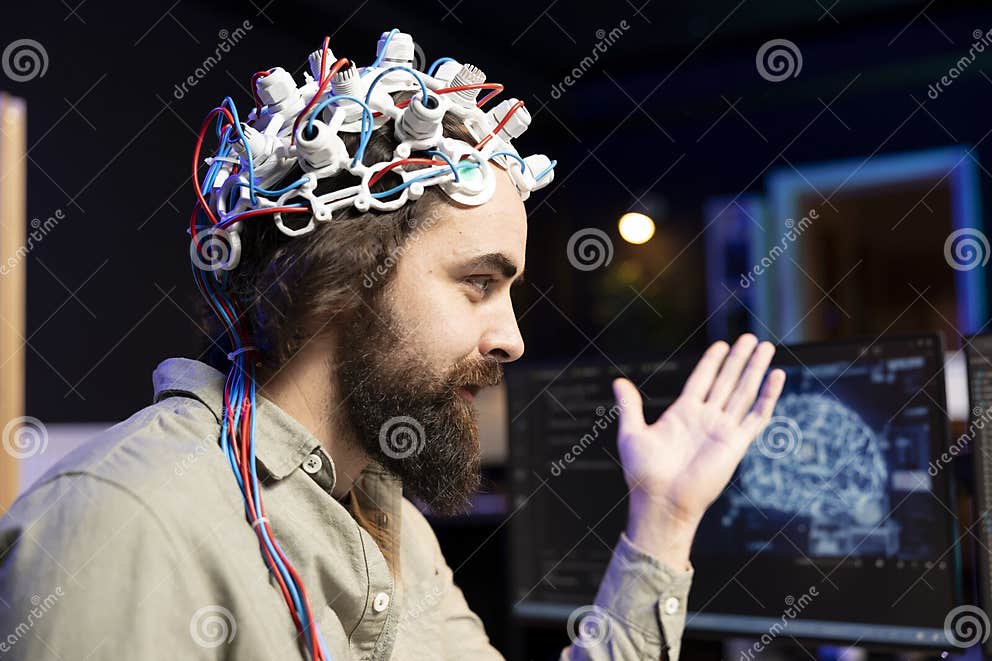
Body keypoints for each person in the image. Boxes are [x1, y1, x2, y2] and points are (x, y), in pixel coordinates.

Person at [0, 30, 785, 661]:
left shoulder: (391, 520)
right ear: (340, 279)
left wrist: (663, 520)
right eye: (478, 282)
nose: (511, 337)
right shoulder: (122, 526)